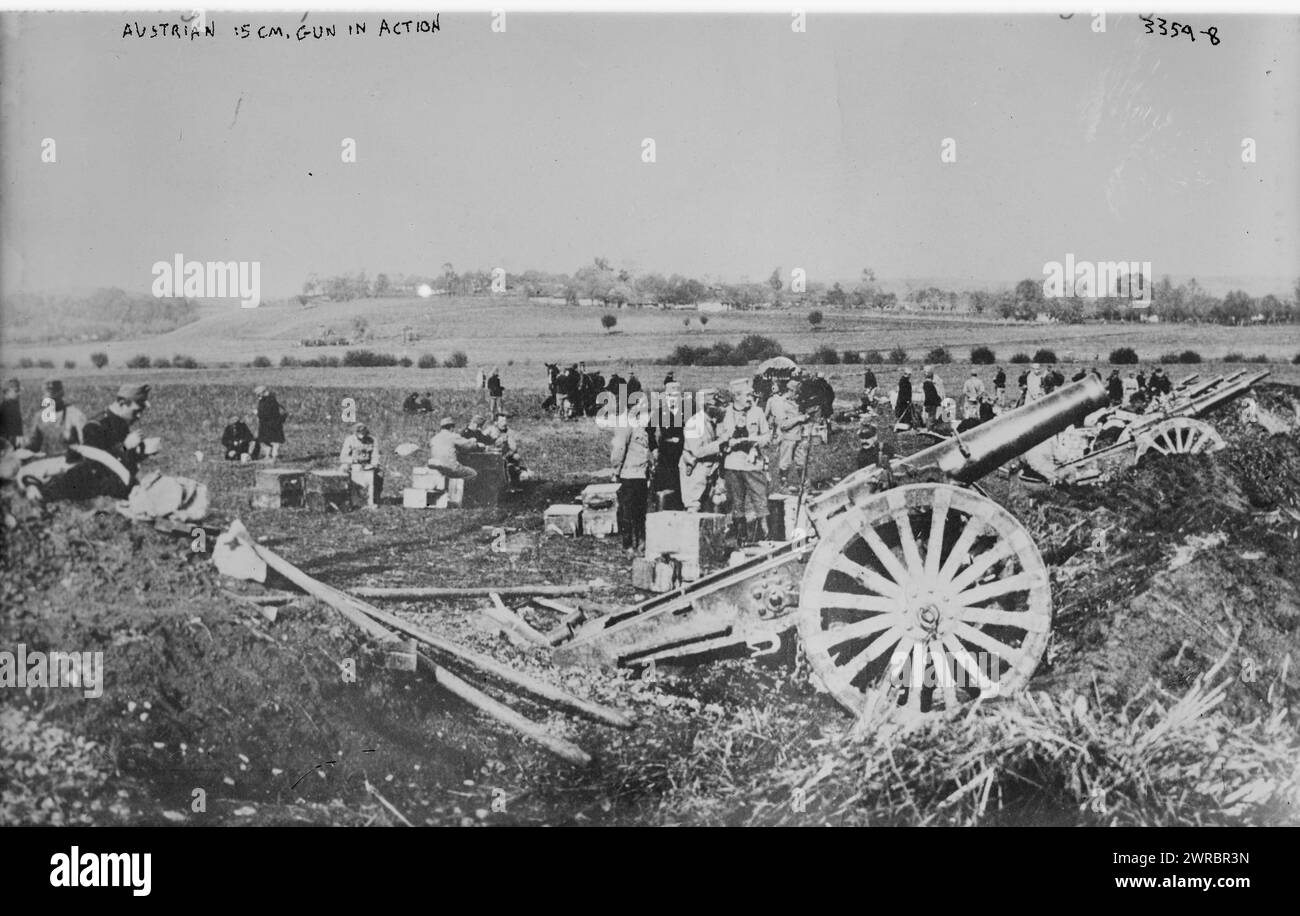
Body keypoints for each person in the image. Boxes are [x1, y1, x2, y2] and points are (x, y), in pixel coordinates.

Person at [42, 384, 150, 500]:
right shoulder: (95, 426)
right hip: (83, 491)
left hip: (109, 485)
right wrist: (125, 447)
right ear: (122, 403)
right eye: (136, 411)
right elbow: (97, 466)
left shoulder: (119, 423)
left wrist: (141, 452)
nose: (139, 416)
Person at [717, 378, 770, 545]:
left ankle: (766, 534)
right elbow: (719, 437)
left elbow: (767, 436)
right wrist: (728, 442)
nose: (750, 397)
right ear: (736, 396)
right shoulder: (725, 413)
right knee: (736, 502)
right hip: (732, 464)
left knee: (760, 499)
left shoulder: (758, 412)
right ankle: (742, 538)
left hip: (752, 463)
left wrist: (755, 442)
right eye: (747, 395)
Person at [609, 393, 655, 555]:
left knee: (640, 512)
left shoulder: (640, 427)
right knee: (628, 511)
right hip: (629, 475)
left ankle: (641, 543)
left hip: (641, 475)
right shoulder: (626, 425)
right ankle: (628, 544)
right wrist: (616, 470)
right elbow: (619, 449)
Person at [681, 389, 728, 512]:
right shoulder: (694, 423)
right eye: (715, 405)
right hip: (695, 472)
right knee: (693, 508)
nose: (718, 408)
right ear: (707, 406)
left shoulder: (713, 422)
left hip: (709, 472)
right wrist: (720, 444)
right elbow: (697, 451)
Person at [766, 379, 809, 493]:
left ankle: (804, 485)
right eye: (797, 393)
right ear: (790, 391)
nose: (799, 395)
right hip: (788, 438)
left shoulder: (797, 403)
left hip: (799, 437)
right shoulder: (781, 404)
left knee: (801, 462)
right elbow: (783, 425)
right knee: (785, 463)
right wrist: (799, 419)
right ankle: (783, 485)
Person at [26, 379, 87, 457]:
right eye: (49, 398)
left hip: (70, 462)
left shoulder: (75, 414)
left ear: (61, 394)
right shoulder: (39, 417)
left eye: (55, 396)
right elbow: (33, 446)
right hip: (47, 462)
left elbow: (84, 445)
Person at [651, 383, 686, 510]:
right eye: (669, 396)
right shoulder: (660, 412)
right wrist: (653, 448)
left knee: (681, 487)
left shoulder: (686, 412)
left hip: (682, 454)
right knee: (664, 487)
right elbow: (649, 431)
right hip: (665, 456)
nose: (672, 399)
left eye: (676, 396)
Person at [339, 422, 383, 507]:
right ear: (355, 433)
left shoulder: (373, 440)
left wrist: (374, 464)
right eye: (359, 434)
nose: (362, 437)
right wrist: (354, 460)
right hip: (353, 463)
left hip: (367, 464)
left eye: (364, 434)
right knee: (342, 470)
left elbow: (375, 455)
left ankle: (375, 498)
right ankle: (346, 498)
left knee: (380, 473)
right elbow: (343, 457)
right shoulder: (349, 440)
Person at [428, 416, 484, 482]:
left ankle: (453, 486)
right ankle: (461, 489)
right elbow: (468, 445)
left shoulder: (434, 438)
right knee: (473, 473)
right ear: (451, 428)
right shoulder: (453, 436)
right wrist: (478, 445)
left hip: (438, 467)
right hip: (450, 467)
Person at [487, 413, 525, 486]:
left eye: (505, 421)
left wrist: (506, 455)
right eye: (501, 421)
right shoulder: (490, 429)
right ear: (496, 422)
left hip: (505, 455)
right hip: (490, 455)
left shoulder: (509, 432)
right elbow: (481, 439)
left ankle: (512, 482)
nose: (504, 423)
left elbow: (513, 448)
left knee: (516, 457)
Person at [254, 385, 287, 460]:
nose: (257, 396)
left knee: (273, 440)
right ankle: (268, 455)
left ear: (262, 392)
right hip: (268, 424)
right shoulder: (268, 399)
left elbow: (267, 413)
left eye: (258, 394)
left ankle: (274, 456)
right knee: (265, 440)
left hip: (271, 424)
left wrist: (257, 413)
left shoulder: (269, 400)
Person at [1, 378, 23, 447]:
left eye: (19, 391)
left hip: (15, 443)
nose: (19, 394)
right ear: (6, 392)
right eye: (16, 391)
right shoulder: (3, 409)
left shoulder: (15, 404)